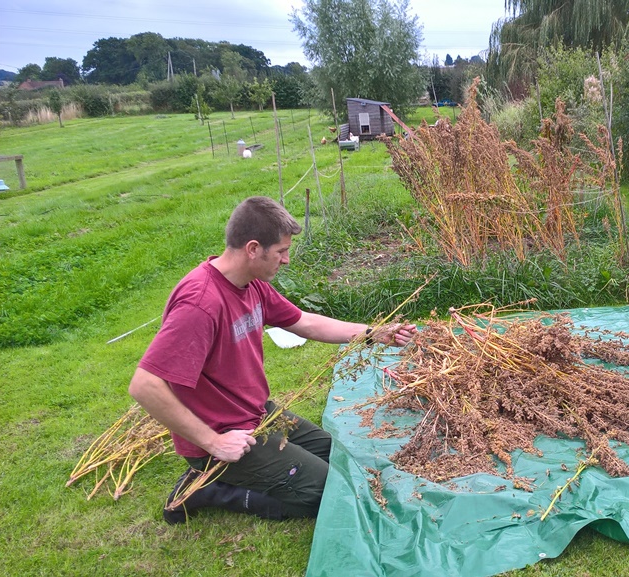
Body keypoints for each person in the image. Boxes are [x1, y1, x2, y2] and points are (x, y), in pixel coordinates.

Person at [129, 196, 416, 524]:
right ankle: (209, 487)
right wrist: (213, 442)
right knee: (331, 492)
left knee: (343, 458)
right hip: (223, 435)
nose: (287, 260)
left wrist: (372, 333)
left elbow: (304, 322)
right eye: (281, 251)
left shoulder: (251, 285)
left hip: (257, 413)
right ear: (253, 249)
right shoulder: (201, 304)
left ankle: (230, 475)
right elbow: (145, 384)